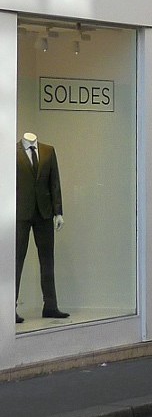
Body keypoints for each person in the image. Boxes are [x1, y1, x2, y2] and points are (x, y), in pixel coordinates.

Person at [17, 133, 68, 322]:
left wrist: (59, 212)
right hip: (19, 213)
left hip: (44, 213)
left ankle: (51, 306)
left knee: (47, 260)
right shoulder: (13, 152)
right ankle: (9, 308)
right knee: (16, 260)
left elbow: (54, 182)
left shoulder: (48, 151)